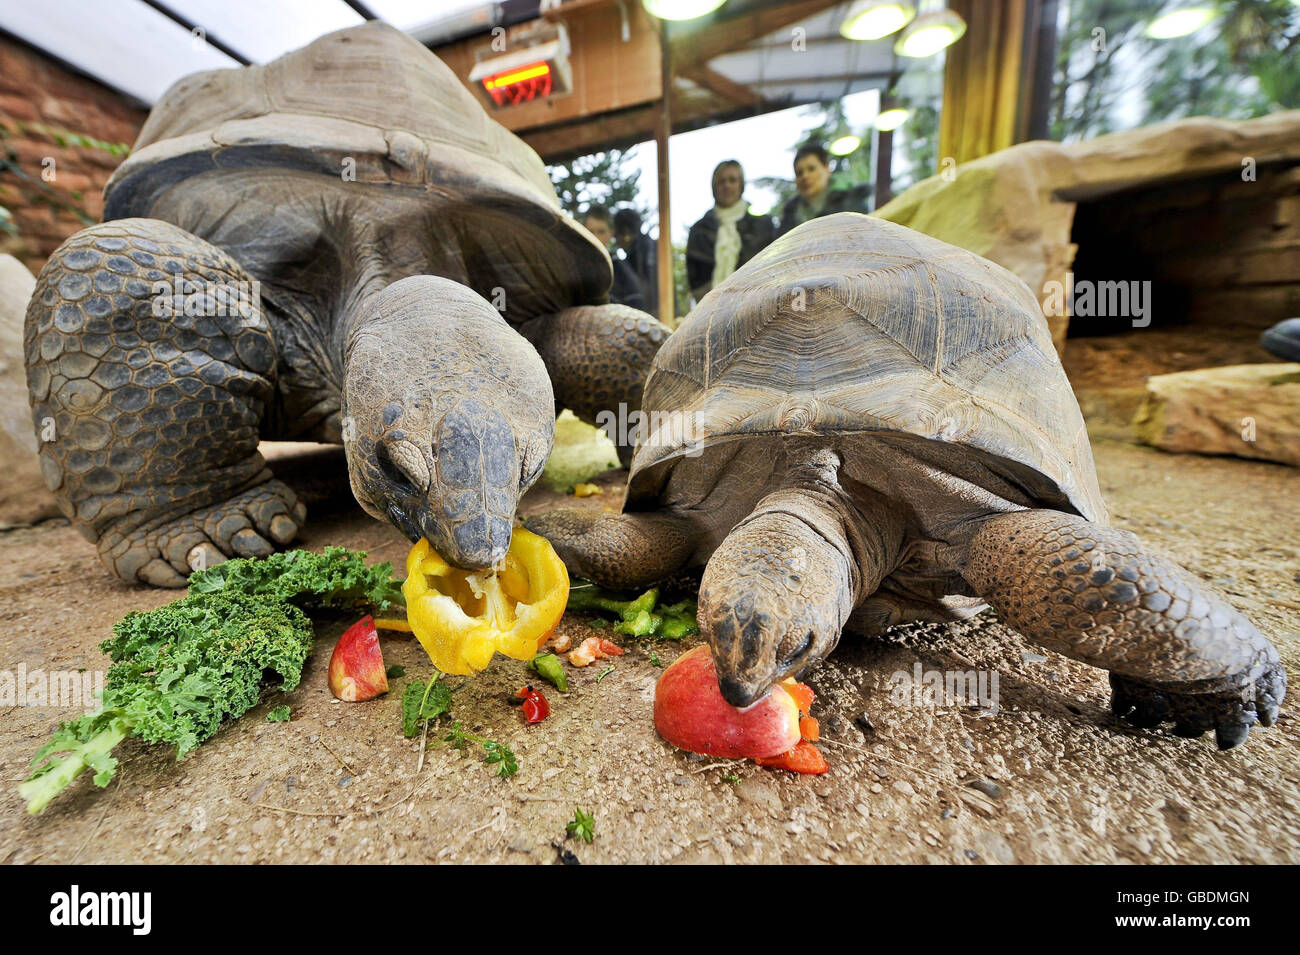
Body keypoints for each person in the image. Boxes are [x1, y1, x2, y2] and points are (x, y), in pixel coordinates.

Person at [686, 159, 777, 303]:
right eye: (721, 181)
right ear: (714, 186)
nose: (727, 185)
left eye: (732, 180)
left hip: (755, 305)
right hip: (709, 309)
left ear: (741, 184)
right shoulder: (699, 230)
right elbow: (695, 278)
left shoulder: (762, 224)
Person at [777, 143, 870, 236]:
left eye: (811, 169)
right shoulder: (789, 215)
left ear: (826, 168)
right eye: (799, 173)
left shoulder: (851, 203)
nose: (805, 176)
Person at [582, 204, 647, 311]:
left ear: (611, 233)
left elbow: (637, 304)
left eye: (601, 232)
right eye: (591, 231)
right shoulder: (573, 264)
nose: (595, 237)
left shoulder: (619, 267)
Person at [613, 207, 658, 317]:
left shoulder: (638, 254)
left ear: (626, 233)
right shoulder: (653, 246)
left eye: (616, 235)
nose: (616, 241)